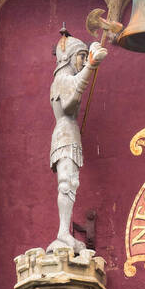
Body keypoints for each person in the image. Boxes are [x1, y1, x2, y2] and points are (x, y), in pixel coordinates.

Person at [49, 32, 108, 252]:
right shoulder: (62, 79)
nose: (82, 60)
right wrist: (90, 66)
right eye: (80, 56)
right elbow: (70, 103)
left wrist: (88, 67)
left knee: (70, 183)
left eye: (85, 56)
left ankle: (64, 232)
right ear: (68, 57)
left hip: (69, 133)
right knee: (66, 182)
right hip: (65, 134)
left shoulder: (66, 79)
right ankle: (63, 233)